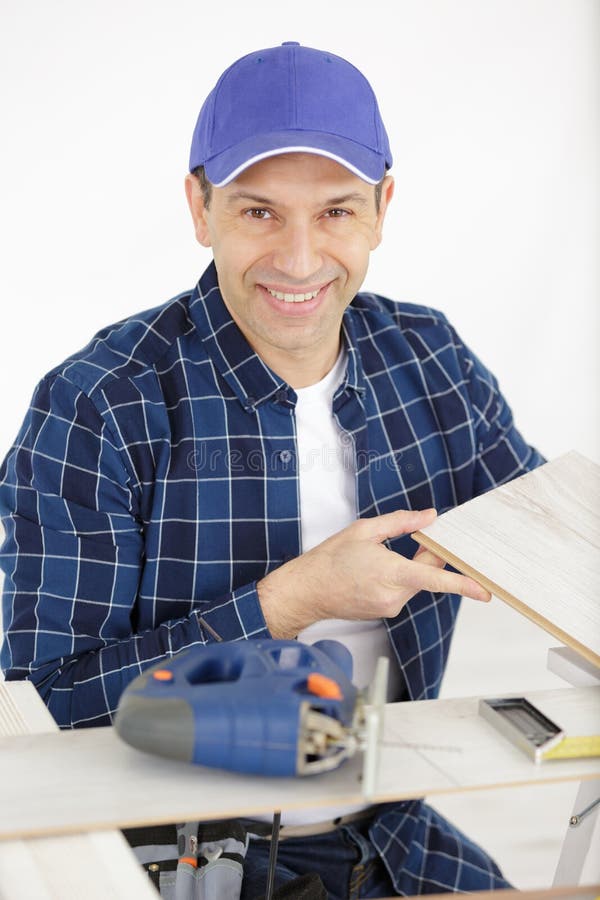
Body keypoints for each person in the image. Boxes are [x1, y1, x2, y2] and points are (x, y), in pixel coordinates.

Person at [0, 41, 543, 897]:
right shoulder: (100, 404)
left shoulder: (428, 359)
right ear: (199, 205)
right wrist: (293, 601)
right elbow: (36, 713)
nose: (298, 260)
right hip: (182, 858)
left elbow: (543, 540)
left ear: (382, 208)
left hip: (390, 830)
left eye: (335, 212)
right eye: (258, 213)